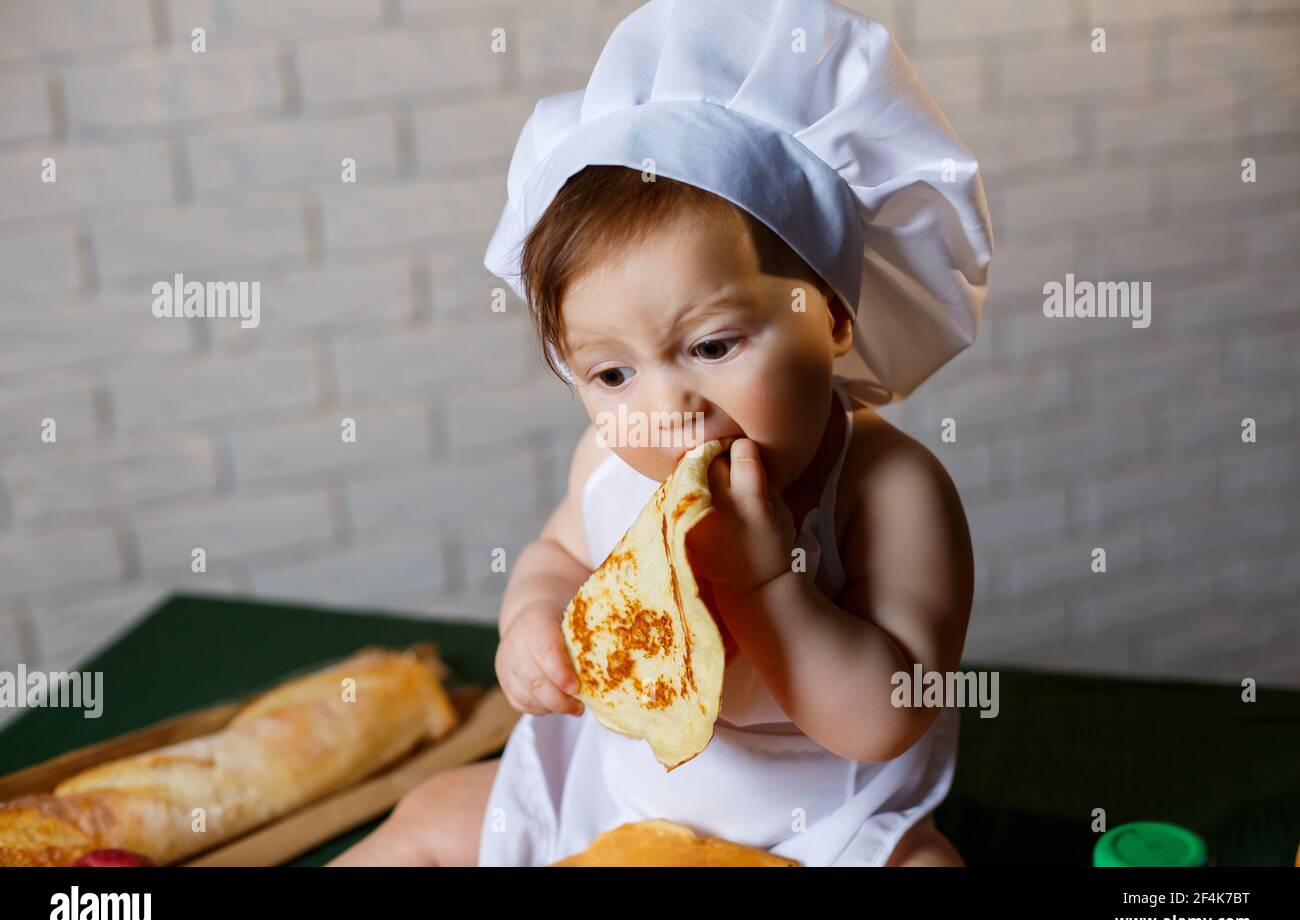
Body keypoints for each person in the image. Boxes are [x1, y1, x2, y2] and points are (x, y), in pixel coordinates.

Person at [330, 0, 993, 868]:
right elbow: (557, 556)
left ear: (830, 316)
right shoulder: (609, 464)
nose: (665, 408)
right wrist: (530, 621)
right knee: (432, 813)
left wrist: (763, 583)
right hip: (619, 799)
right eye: (611, 374)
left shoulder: (889, 490)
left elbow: (886, 714)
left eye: (712, 345)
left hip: (822, 826)